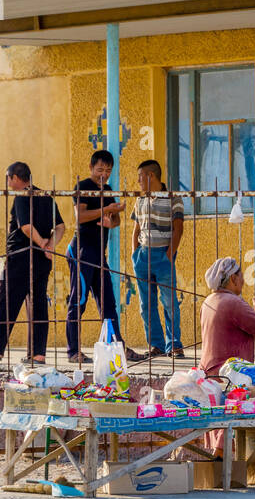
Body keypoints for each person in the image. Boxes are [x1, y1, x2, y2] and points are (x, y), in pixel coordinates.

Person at [0, 162, 65, 365]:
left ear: (15, 177)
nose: (7, 182)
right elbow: (60, 226)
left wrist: (42, 244)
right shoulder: (46, 196)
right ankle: (37, 354)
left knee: (5, 302)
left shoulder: (23, 196)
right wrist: (51, 246)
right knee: (38, 305)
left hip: (20, 257)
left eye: (8, 178)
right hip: (41, 261)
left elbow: (26, 227)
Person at [67, 150, 142, 364]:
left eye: (108, 171)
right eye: (100, 170)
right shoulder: (83, 187)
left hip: (100, 254)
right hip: (81, 251)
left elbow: (115, 219)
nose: (104, 174)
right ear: (91, 168)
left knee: (108, 303)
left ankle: (118, 347)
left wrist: (112, 218)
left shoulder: (107, 189)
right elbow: (80, 216)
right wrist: (105, 209)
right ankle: (73, 351)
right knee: (78, 301)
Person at [131, 159, 184, 359]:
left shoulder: (173, 198)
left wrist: (169, 255)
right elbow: (136, 229)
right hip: (143, 256)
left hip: (163, 255)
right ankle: (157, 345)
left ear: (150, 176)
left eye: (140, 177)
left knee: (169, 302)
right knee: (146, 305)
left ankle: (174, 345)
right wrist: (134, 253)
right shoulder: (140, 199)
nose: (138, 181)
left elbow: (179, 228)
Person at [200, 257, 255, 375]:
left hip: (207, 373)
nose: (243, 281)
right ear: (233, 278)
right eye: (241, 276)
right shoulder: (233, 302)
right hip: (228, 375)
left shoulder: (207, 301)